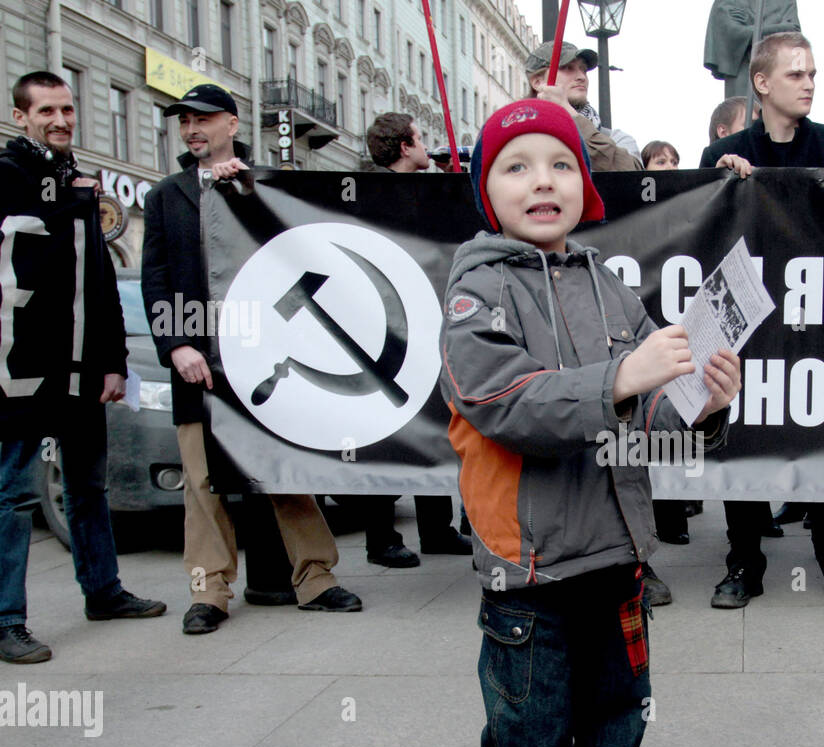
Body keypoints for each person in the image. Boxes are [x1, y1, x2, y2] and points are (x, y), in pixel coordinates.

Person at [439, 98, 740, 747]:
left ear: (586, 184)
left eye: (562, 164)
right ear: (487, 191)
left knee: (618, 711)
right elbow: (507, 404)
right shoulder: (476, 295)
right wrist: (621, 377)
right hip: (528, 564)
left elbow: (645, 418)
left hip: (618, 552)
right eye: (517, 166)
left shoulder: (610, 288)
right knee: (527, 728)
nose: (544, 181)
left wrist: (700, 403)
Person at [142, 84, 363, 635]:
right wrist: (178, 344)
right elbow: (158, 279)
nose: (192, 129)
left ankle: (316, 579)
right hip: (199, 362)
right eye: (184, 121)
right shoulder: (165, 196)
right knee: (200, 483)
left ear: (232, 124)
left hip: (263, 360)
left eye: (204, 119)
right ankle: (209, 592)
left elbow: (298, 257)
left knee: (283, 471)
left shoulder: (262, 187)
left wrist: (246, 189)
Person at [703, 31, 824, 610]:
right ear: (761, 83)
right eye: (795, 74)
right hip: (751, 327)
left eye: (812, 74)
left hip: (823, 320)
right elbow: (705, 235)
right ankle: (743, 563)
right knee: (743, 437)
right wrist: (722, 185)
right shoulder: (723, 154)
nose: (808, 84)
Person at [0, 71, 167, 664]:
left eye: (67, 108)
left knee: (87, 486)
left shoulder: (75, 181)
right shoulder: (11, 173)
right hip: (21, 369)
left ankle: (103, 591)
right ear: (21, 116)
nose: (61, 119)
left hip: (80, 372)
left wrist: (115, 362)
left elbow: (98, 285)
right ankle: (6, 621)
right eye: (46, 109)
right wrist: (74, 192)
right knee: (16, 495)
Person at [329, 111, 471, 567]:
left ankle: (437, 529)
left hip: (428, 320)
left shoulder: (424, 190)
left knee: (437, 423)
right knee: (388, 431)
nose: (427, 145)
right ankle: (380, 539)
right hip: (388, 328)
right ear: (406, 147)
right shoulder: (371, 194)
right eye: (420, 138)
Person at [524, 41, 641, 171]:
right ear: (538, 82)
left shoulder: (617, 139)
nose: (581, 77)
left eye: (583, 70)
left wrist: (569, 112)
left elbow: (633, 177)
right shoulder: (517, 136)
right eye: (568, 68)